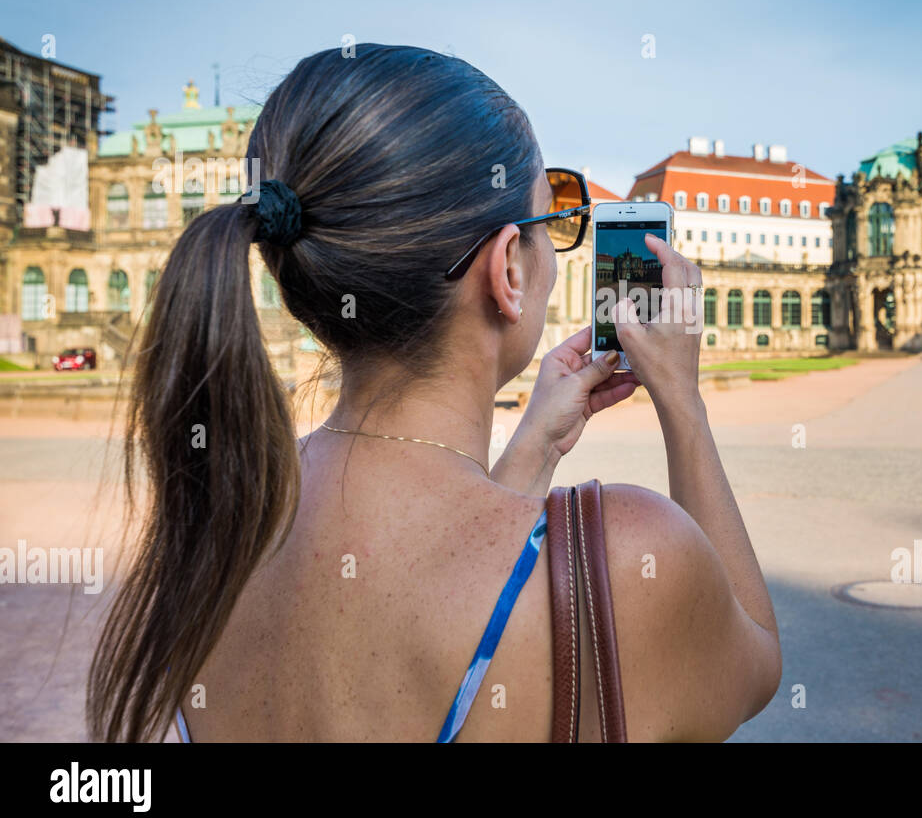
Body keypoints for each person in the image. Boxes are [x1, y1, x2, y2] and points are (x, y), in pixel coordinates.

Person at [86, 44, 781, 742]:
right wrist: (682, 402)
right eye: (551, 224)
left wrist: (535, 446)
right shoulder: (625, 557)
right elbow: (754, 659)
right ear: (508, 268)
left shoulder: (218, 522)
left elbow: (441, 576)